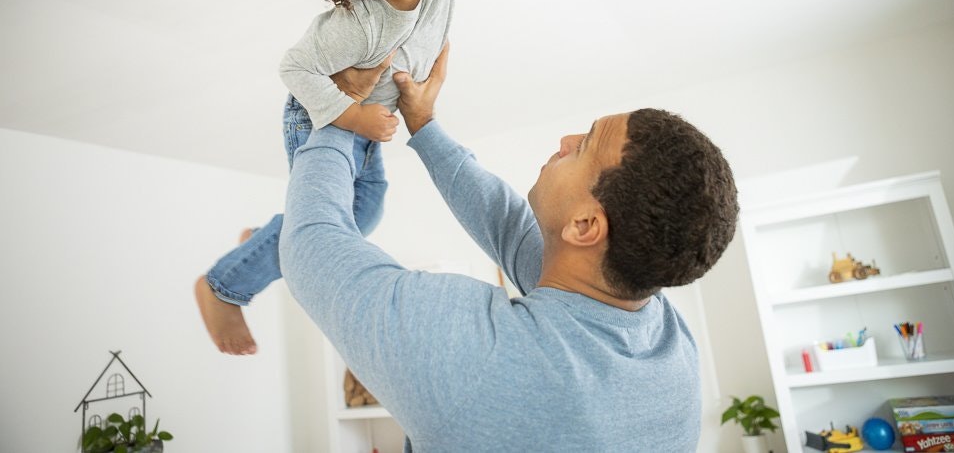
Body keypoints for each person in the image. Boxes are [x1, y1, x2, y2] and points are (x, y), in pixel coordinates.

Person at [279, 46, 740, 451]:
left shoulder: (482, 357)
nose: (566, 141)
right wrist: (423, 124)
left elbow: (312, 243)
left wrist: (338, 112)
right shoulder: (668, 341)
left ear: (585, 225)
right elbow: (514, 228)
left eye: (584, 147)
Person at [195, 0, 537, 355]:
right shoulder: (359, 23)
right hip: (322, 115)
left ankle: (267, 240)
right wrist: (351, 113)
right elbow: (294, 69)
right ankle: (223, 287)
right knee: (331, 224)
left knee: (366, 212)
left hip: (367, 122)